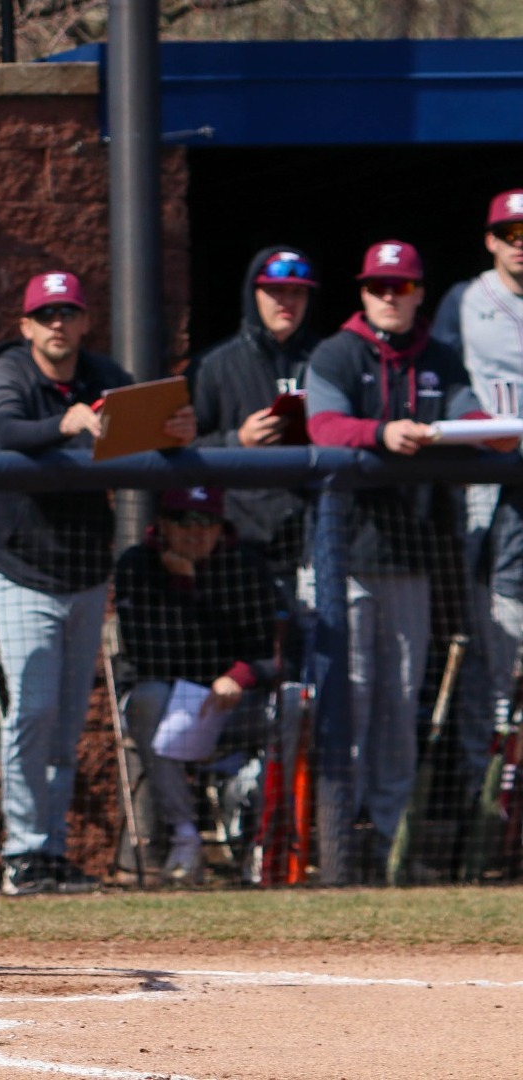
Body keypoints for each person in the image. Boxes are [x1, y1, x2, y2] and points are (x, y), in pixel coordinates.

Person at [0, 270, 197, 896]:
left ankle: (51, 853)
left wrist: (178, 434)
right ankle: (23, 855)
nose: (57, 324)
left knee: (68, 721)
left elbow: (151, 431)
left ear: (83, 321)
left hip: (81, 569)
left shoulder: (105, 375)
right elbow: (4, 431)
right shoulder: (11, 373)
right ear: (26, 326)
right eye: (45, 314)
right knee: (33, 711)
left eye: (67, 312)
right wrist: (66, 422)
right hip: (21, 569)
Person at [305, 240, 509, 882]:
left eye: (403, 286)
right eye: (378, 286)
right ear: (363, 291)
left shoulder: (437, 357)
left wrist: (489, 430)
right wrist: (379, 434)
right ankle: (338, 848)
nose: (390, 296)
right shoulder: (337, 351)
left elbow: (462, 410)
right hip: (342, 557)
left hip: (408, 556)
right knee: (350, 701)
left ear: (421, 292)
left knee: (398, 705)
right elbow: (323, 425)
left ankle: (388, 849)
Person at [113, 487, 279, 884]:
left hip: (238, 703)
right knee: (148, 698)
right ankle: (186, 839)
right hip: (172, 709)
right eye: (185, 522)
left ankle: (267, 838)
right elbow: (149, 657)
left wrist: (238, 677)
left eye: (207, 522)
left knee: (293, 702)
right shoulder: (139, 565)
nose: (196, 533)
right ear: (163, 525)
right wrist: (184, 588)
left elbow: (273, 649)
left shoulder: (245, 565)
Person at [434, 190, 523, 807]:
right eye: (510, 233)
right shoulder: (465, 300)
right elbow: (440, 378)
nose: (521, 243)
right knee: (488, 644)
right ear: (491, 239)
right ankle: (481, 803)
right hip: (489, 487)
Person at [188, 247, 322, 579]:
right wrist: (238, 439)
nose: (287, 302)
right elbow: (184, 449)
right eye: (275, 291)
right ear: (254, 293)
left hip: (311, 534)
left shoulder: (327, 359)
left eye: (297, 292)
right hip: (239, 541)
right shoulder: (213, 365)